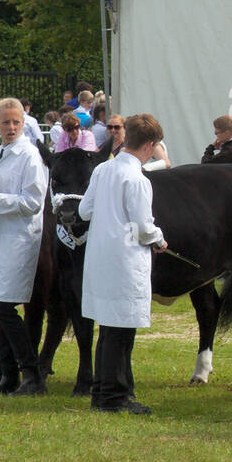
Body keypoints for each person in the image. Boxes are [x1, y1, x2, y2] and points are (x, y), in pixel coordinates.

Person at [79, 113, 168, 414]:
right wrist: (158, 239)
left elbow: (84, 209)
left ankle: (103, 393)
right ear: (151, 145)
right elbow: (144, 227)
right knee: (120, 332)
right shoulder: (137, 179)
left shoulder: (103, 170)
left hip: (100, 258)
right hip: (123, 261)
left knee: (107, 329)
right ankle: (114, 398)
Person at [0, 99, 50, 395]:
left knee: (5, 307)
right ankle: (8, 375)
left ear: (23, 123)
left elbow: (34, 202)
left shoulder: (30, 156)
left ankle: (32, 375)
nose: (11, 128)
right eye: (6, 122)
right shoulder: (1, 152)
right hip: (0, 238)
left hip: (20, 240)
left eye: (16, 122)